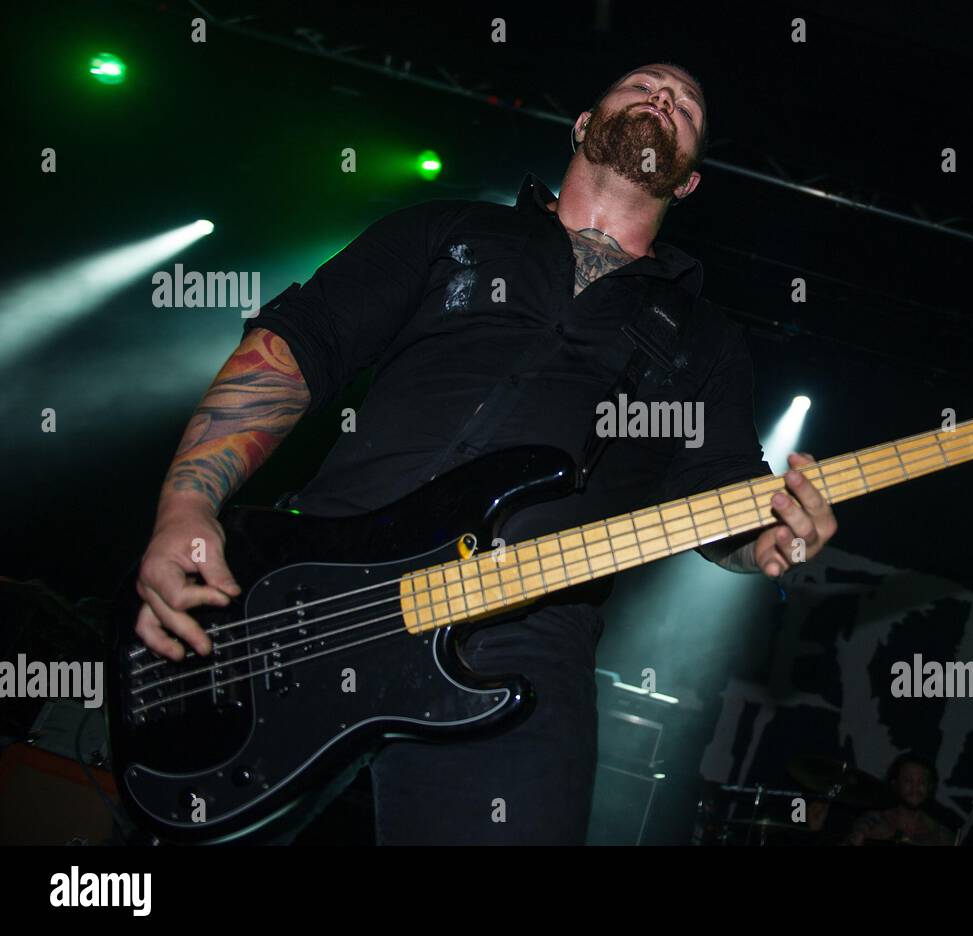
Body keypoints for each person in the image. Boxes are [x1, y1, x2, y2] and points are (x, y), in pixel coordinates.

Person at [131, 62, 839, 844]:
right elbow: (297, 348)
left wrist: (769, 539)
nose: (663, 96)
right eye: (640, 83)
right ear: (580, 123)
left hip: (525, 633)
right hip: (308, 584)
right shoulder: (450, 230)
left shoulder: (705, 340)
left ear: (692, 181)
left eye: (687, 106)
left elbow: (722, 501)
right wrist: (188, 503)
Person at [843, 754, 954, 845]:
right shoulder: (873, 821)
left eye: (922, 782)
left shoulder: (941, 835)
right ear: (895, 783)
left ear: (930, 787)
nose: (915, 788)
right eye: (908, 781)